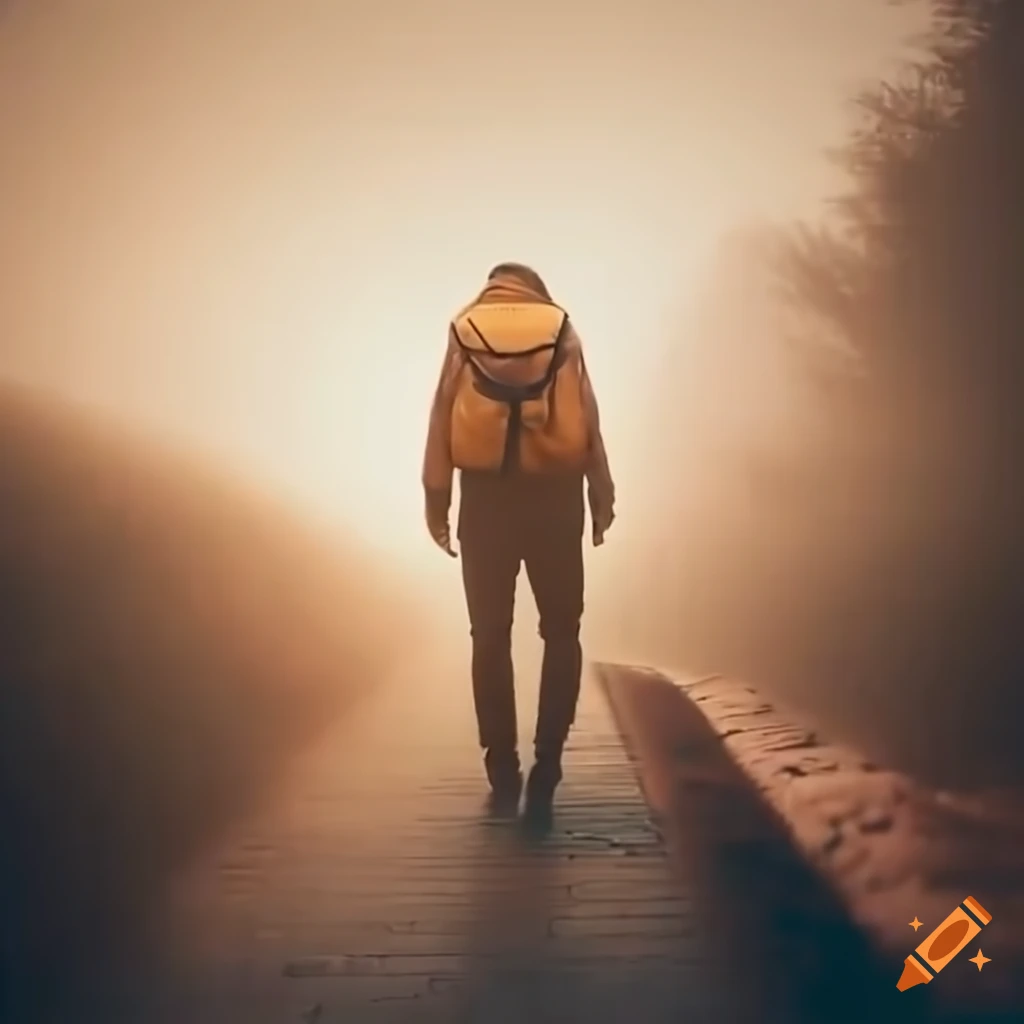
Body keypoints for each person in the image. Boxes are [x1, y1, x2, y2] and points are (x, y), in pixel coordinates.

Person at [421, 262, 615, 817]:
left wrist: (437, 498)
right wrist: (601, 494)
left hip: (485, 500)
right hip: (556, 497)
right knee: (561, 631)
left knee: (489, 635)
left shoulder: (464, 328)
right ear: (535, 289)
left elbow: (441, 416)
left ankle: (501, 765)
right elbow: (587, 417)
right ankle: (548, 758)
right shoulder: (561, 328)